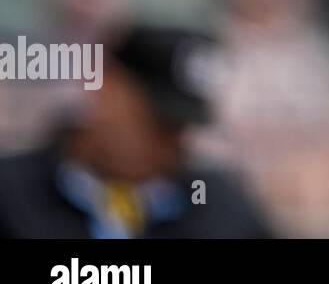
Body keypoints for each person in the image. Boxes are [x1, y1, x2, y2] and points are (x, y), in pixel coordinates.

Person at [0, 23, 273, 238]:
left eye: (184, 128)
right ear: (106, 88)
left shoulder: (218, 209)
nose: (174, 144)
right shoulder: (12, 197)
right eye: (160, 122)